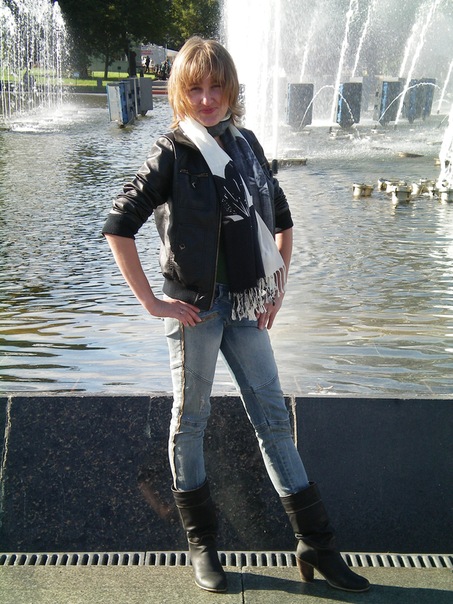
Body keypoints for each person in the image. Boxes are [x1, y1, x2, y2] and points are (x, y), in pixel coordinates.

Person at [102, 36, 370, 595]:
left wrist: (278, 287)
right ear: (181, 92)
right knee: (190, 421)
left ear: (231, 91)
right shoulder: (173, 152)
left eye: (216, 88)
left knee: (273, 419)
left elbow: (283, 219)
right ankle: (202, 546)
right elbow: (118, 225)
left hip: (247, 304)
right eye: (195, 89)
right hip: (194, 310)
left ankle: (317, 543)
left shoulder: (247, 144)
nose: (207, 99)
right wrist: (153, 302)